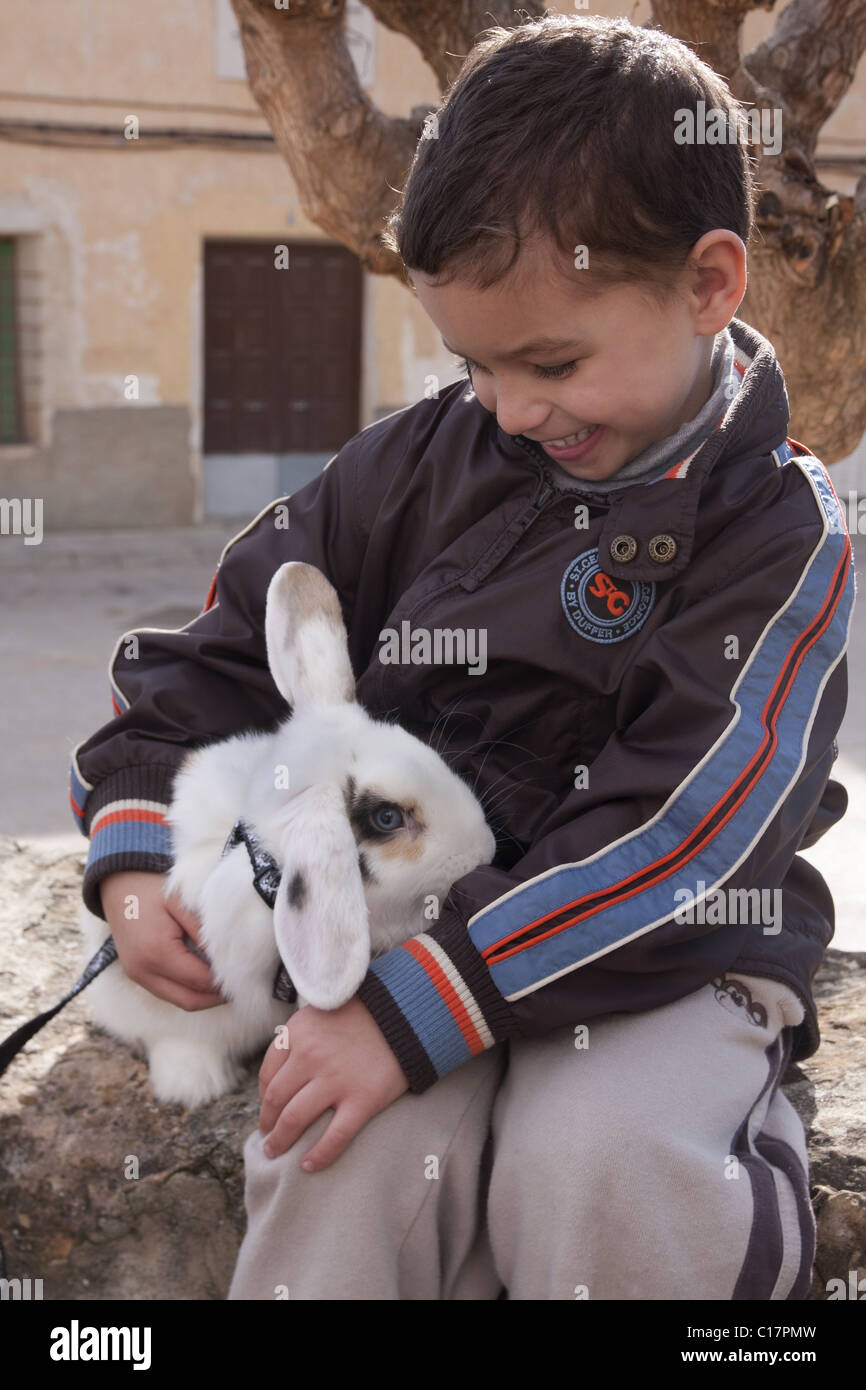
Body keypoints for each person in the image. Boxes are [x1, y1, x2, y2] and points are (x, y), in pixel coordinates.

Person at [70, 13, 855, 1300]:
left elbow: (687, 837)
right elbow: (218, 649)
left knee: (595, 1153)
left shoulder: (774, 532)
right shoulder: (423, 457)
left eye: (551, 361)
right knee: (337, 1140)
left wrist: (436, 1001)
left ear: (712, 282)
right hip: (394, 938)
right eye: (474, 362)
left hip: (655, 954)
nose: (512, 408)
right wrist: (141, 841)